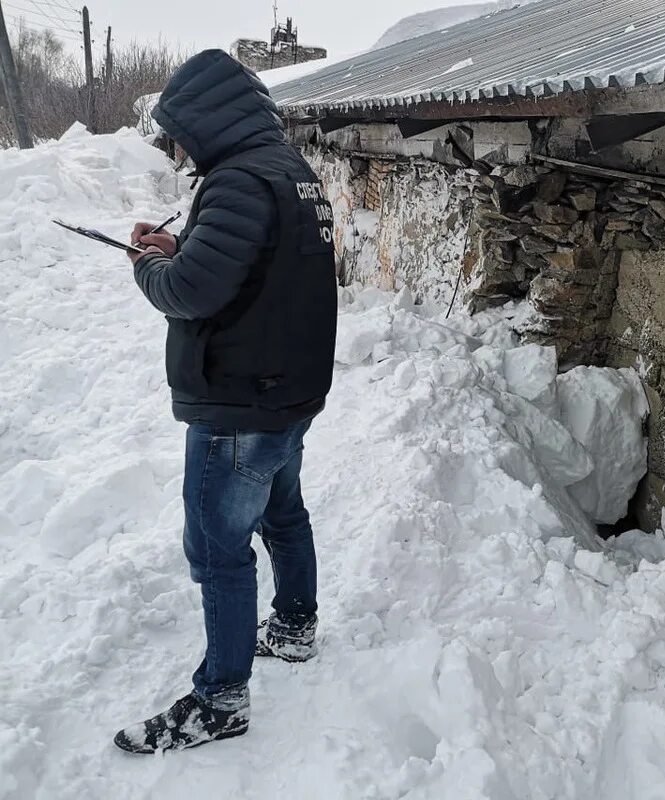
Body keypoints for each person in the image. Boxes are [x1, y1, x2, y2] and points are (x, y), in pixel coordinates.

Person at [114, 49, 337, 754]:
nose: (180, 147)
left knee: (218, 548)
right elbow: (251, 264)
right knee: (282, 510)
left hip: (241, 400)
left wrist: (152, 264)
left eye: (181, 131)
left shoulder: (239, 180)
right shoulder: (290, 173)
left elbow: (191, 292)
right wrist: (183, 243)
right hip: (287, 393)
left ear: (207, 120)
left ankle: (220, 700)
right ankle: (295, 627)